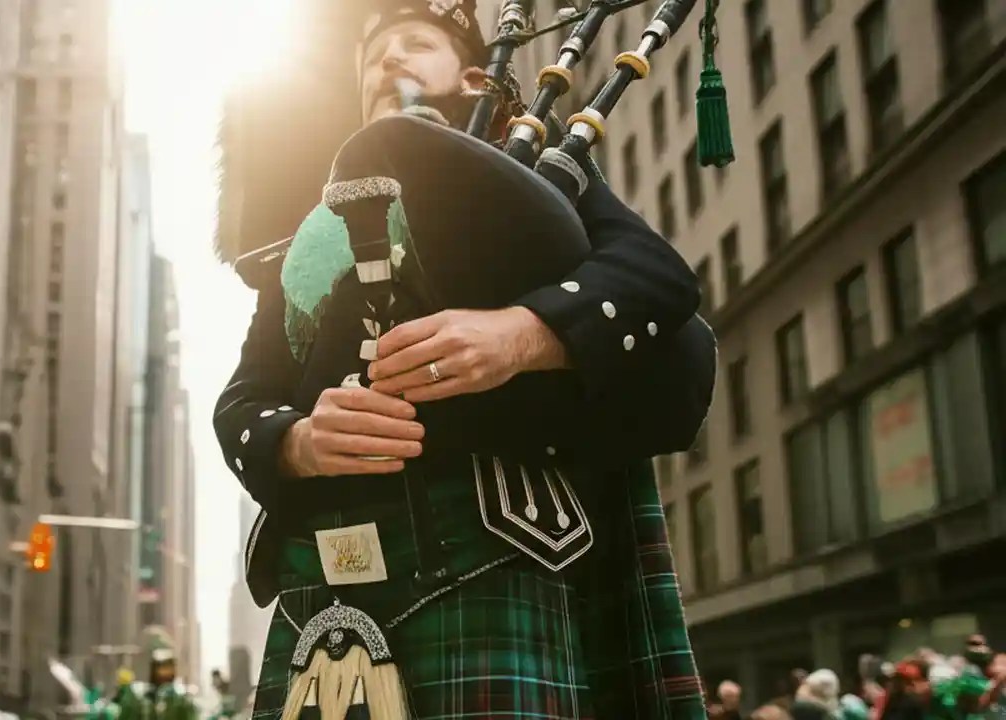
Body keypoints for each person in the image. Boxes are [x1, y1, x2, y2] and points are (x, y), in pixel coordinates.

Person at [213, 0, 718, 718]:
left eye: (416, 43)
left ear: (478, 79)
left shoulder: (547, 172)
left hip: (495, 551)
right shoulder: (312, 229)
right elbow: (243, 400)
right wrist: (298, 442)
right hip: (326, 575)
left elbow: (657, 276)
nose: (389, 60)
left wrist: (521, 333)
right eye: (373, 57)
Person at [145, 649, 198, 720]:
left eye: (167, 667)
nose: (162, 673)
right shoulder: (144, 698)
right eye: (159, 667)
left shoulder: (181, 700)